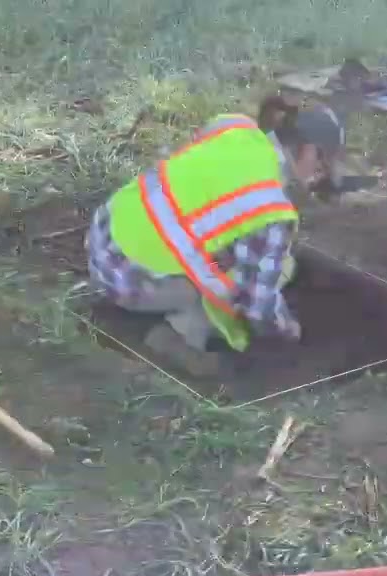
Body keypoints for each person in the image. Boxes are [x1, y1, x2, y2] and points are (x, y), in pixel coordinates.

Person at [85, 95, 345, 374]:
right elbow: (257, 306)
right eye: (321, 166)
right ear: (309, 151)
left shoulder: (233, 127)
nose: (317, 176)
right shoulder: (270, 210)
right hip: (124, 277)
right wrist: (285, 329)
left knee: (237, 258)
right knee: (246, 283)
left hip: (105, 232)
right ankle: (175, 338)